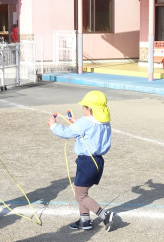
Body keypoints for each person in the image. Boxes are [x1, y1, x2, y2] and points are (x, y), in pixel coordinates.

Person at [47, 90, 114, 232]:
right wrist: (77, 123)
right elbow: (89, 130)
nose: (83, 109)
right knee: (82, 192)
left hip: (86, 161)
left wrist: (53, 125)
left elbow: (66, 133)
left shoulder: (85, 122)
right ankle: (85, 221)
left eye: (84, 107)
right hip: (98, 161)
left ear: (90, 109)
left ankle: (104, 215)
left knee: (80, 195)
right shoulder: (104, 122)